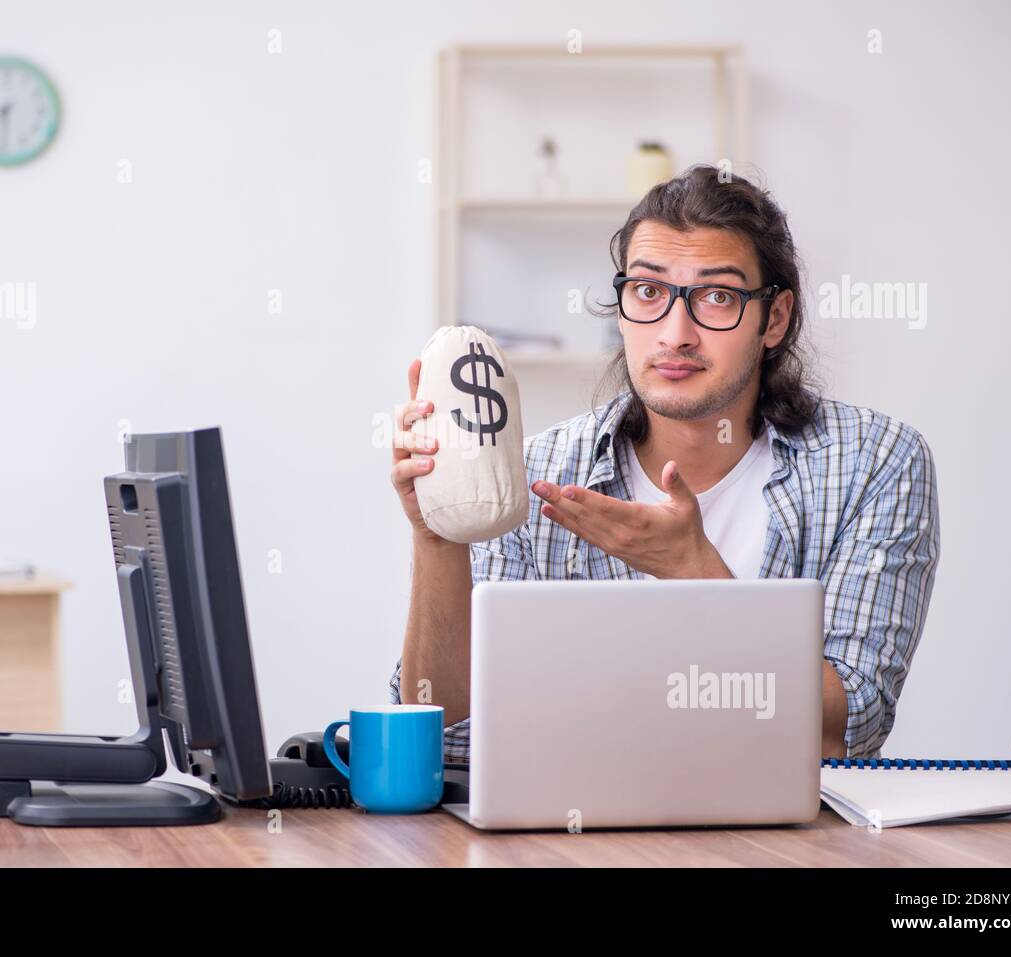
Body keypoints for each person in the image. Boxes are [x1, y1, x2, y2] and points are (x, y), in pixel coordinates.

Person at [387, 165, 940, 762]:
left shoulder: (875, 463)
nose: (675, 334)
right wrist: (436, 538)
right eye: (649, 292)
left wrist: (693, 571)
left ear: (774, 319)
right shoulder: (538, 470)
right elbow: (445, 736)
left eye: (718, 296)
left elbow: (850, 729)